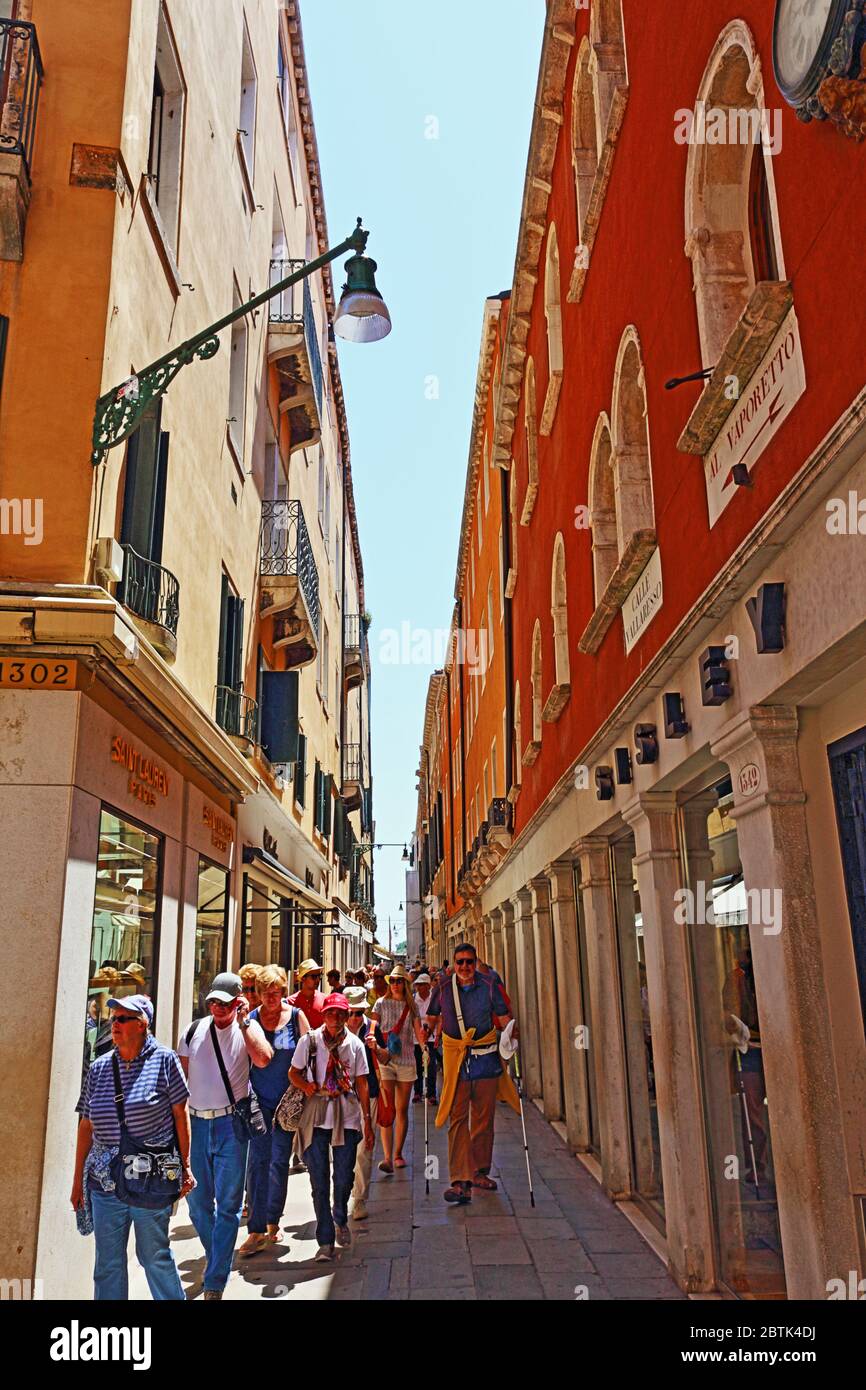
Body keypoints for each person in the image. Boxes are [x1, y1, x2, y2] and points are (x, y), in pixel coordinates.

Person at [71, 995, 193, 1301]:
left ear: (142, 1025)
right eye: (113, 1019)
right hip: (103, 1182)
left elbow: (181, 1116)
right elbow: (86, 1125)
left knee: (154, 1257)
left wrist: (185, 1166)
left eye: (123, 1019)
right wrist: (77, 1182)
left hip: (148, 1179)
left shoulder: (165, 1060)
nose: (115, 1024)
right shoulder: (99, 1068)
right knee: (107, 1265)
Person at [178, 971, 272, 1300]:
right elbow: (181, 1078)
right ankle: (219, 1256)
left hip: (231, 1125)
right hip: (197, 1124)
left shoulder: (247, 1029)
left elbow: (263, 1059)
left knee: (229, 1207)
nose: (218, 1007)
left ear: (237, 1003)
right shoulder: (193, 1031)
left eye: (225, 1002)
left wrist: (245, 1022)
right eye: (213, 1001)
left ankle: (215, 1279)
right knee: (197, 1205)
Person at [429, 943, 520, 1205]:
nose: (465, 967)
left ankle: (480, 1172)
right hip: (457, 1061)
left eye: (469, 962)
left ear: (475, 961)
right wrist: (425, 1031)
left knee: (483, 1119)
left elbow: (504, 1019)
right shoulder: (444, 988)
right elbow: (432, 1016)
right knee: (457, 1119)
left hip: (486, 1058)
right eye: (460, 962)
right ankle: (460, 1180)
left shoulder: (489, 985)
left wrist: (510, 1037)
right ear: (453, 965)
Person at [288, 993, 375, 1261]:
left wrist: (367, 1120)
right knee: (318, 1181)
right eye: (331, 1013)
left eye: (341, 1013)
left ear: (348, 1015)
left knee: (344, 1177)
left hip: (346, 1114)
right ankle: (325, 1240)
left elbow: (362, 1083)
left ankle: (340, 1215)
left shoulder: (355, 1044)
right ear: (323, 1015)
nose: (335, 1019)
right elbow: (293, 1072)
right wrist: (307, 1086)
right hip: (316, 1114)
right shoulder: (310, 1041)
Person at [239, 965, 309, 1256]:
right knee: (257, 1161)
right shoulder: (251, 1020)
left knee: (279, 1161)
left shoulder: (295, 1017)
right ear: (258, 993)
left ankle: (272, 1223)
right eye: (266, 993)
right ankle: (255, 1229)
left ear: (282, 990)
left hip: (287, 1103)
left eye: (276, 992)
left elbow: (309, 1052)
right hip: (258, 1100)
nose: (271, 998)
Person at [373, 964, 427, 1172]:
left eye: (399, 981)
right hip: (386, 1060)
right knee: (388, 1108)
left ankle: (397, 1154)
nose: (395, 985)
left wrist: (424, 1048)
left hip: (406, 1061)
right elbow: (373, 1026)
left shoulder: (411, 1006)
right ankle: (387, 1157)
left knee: (402, 1109)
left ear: (405, 984)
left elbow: (418, 1031)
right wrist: (371, 1038)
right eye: (392, 981)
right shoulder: (380, 1003)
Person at [344, 985, 384, 1222]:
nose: (353, 1018)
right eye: (349, 1013)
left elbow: (388, 1056)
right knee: (341, 1150)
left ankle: (359, 1199)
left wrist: (376, 1048)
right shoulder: (332, 1028)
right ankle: (343, 1192)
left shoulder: (371, 1028)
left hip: (368, 1095)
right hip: (340, 1097)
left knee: (364, 1149)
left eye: (358, 1013)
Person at [412, 973, 438, 1104]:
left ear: (428, 986)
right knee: (417, 1066)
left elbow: (438, 1017)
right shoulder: (413, 999)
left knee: (431, 1066)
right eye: (417, 984)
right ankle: (417, 1092)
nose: (419, 987)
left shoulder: (434, 998)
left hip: (431, 1038)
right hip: (416, 1038)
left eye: (422, 985)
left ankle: (431, 1093)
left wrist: (437, 1034)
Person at [288, 958, 327, 1028]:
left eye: (319, 976)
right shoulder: (290, 1002)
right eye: (314, 977)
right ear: (303, 978)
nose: (318, 980)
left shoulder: (325, 999)